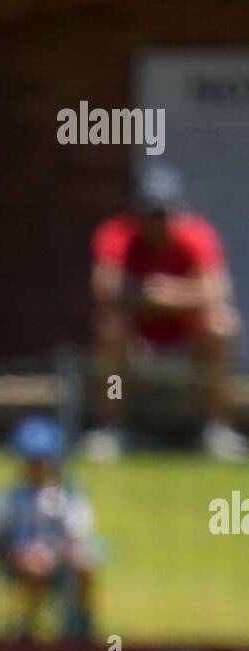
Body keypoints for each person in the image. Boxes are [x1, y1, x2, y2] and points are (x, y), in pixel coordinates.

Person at [85, 164, 245, 461]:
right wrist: (152, 296)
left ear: (178, 211)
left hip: (187, 342)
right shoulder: (116, 234)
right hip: (138, 343)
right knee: (110, 327)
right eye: (151, 213)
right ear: (137, 214)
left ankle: (216, 429)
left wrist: (162, 292)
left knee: (221, 324)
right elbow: (104, 290)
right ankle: (111, 429)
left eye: (164, 213)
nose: (158, 222)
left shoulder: (197, 234)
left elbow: (218, 292)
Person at [0, 415, 98, 641]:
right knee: (32, 568)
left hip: (59, 558)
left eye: (41, 460)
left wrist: (56, 553)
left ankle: (80, 626)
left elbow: (77, 535)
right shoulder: (11, 497)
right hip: (20, 559)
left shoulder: (67, 495)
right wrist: (19, 554)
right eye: (31, 461)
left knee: (85, 566)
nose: (36, 466)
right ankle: (28, 629)